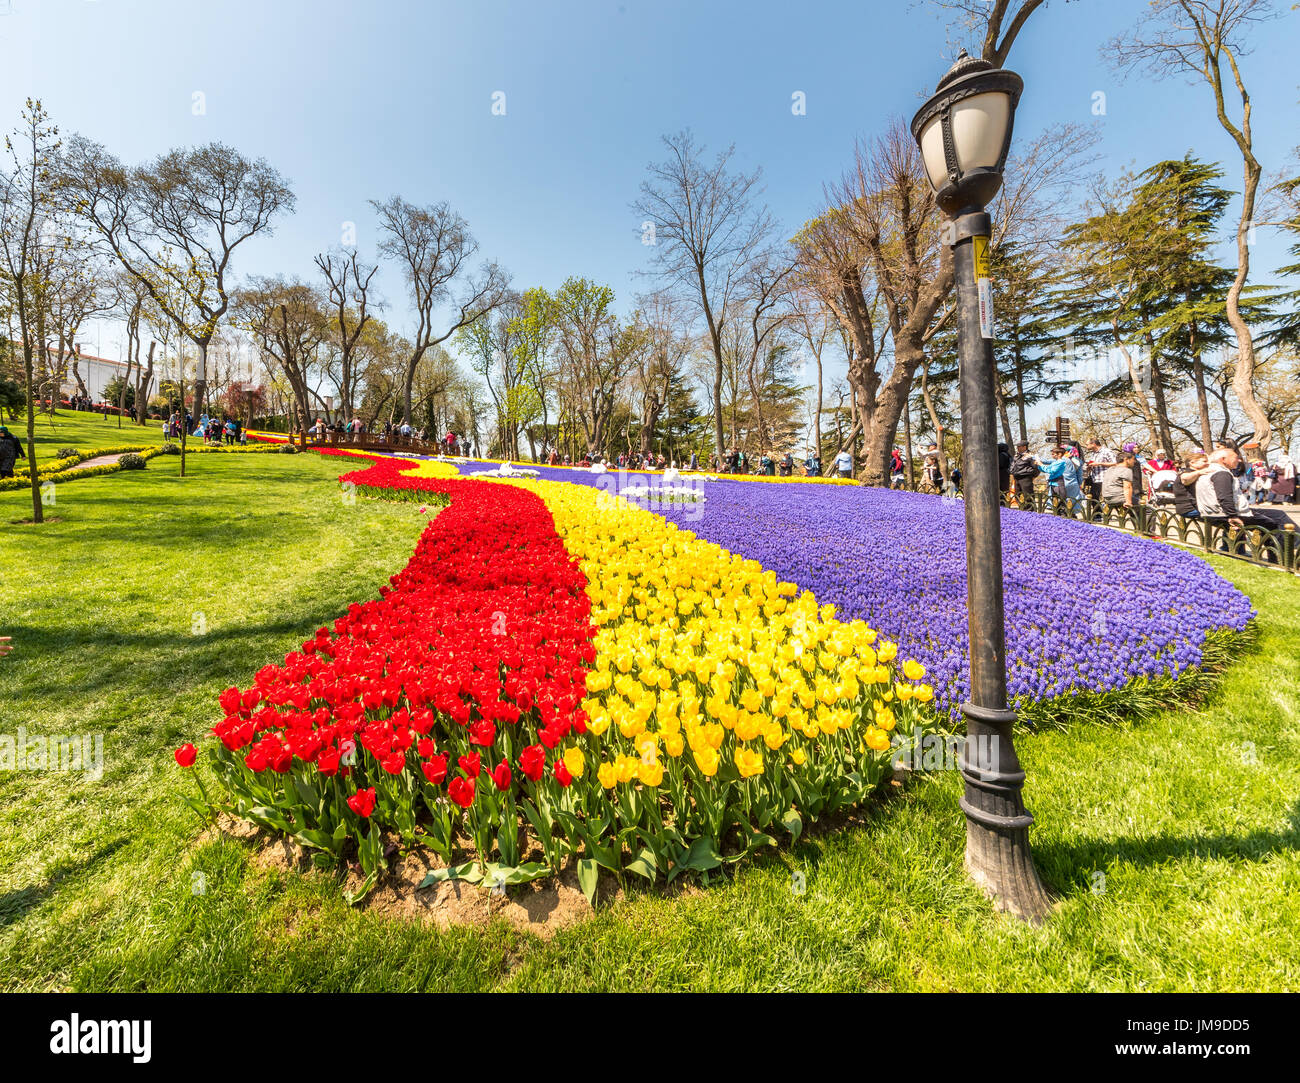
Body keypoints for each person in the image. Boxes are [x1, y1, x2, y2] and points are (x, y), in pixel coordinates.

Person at [1171, 452, 1211, 519]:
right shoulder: (1185, 472)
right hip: (1189, 508)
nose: (1208, 463)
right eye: (1204, 461)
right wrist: (1198, 473)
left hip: (1201, 506)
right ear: (1192, 463)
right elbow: (1185, 479)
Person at [1085, 438, 1116, 503]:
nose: (1086, 446)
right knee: (1094, 500)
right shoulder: (1093, 453)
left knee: (1104, 501)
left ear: (1093, 444)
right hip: (1095, 479)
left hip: (1104, 479)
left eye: (1087, 444)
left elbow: (1115, 463)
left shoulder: (1107, 451)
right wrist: (1090, 466)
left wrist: (1099, 463)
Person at [1009, 441, 1039, 508]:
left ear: (1024, 447)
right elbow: (1013, 465)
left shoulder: (1030, 456)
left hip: (1025, 477)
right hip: (1017, 477)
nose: (1017, 448)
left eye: (1019, 446)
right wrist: (1012, 471)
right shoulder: (1017, 455)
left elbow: (1036, 467)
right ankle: (1021, 509)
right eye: (1017, 446)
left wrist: (1033, 476)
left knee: (1028, 495)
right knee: (1017, 495)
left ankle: (1030, 510)